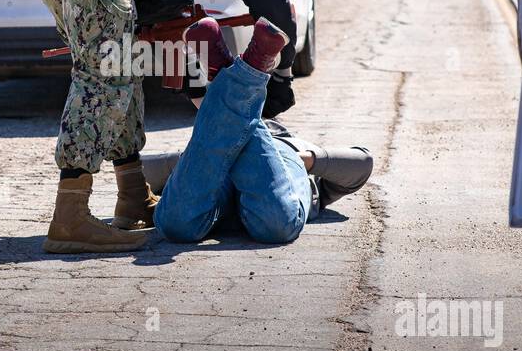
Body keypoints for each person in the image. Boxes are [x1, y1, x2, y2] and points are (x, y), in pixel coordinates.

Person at [27, 0, 297, 254]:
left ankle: (133, 196)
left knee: (126, 64)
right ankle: (69, 218)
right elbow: (272, 0)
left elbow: (154, 9)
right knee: (107, 71)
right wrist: (281, 72)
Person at [146, 16, 373, 244]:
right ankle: (246, 73)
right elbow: (363, 165)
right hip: (220, 183)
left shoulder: (291, 148)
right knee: (174, 226)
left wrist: (301, 160)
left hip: (261, 153)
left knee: (276, 223)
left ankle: (230, 74)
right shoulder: (270, 139)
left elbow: (364, 163)